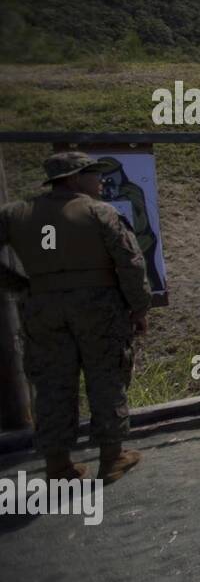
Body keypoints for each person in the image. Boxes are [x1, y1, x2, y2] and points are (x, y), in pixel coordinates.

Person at [0, 152, 150, 482]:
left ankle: (57, 465)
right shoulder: (99, 212)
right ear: (73, 178)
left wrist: (22, 286)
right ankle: (112, 457)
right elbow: (130, 262)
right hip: (99, 307)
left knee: (52, 383)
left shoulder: (16, 213)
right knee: (107, 377)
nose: (100, 180)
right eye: (93, 174)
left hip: (42, 308)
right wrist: (138, 307)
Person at [97, 156, 163, 293]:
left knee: (150, 280)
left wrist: (116, 198)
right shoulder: (97, 195)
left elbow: (140, 222)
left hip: (143, 242)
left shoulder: (131, 190)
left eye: (110, 176)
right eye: (103, 177)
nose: (107, 181)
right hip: (119, 246)